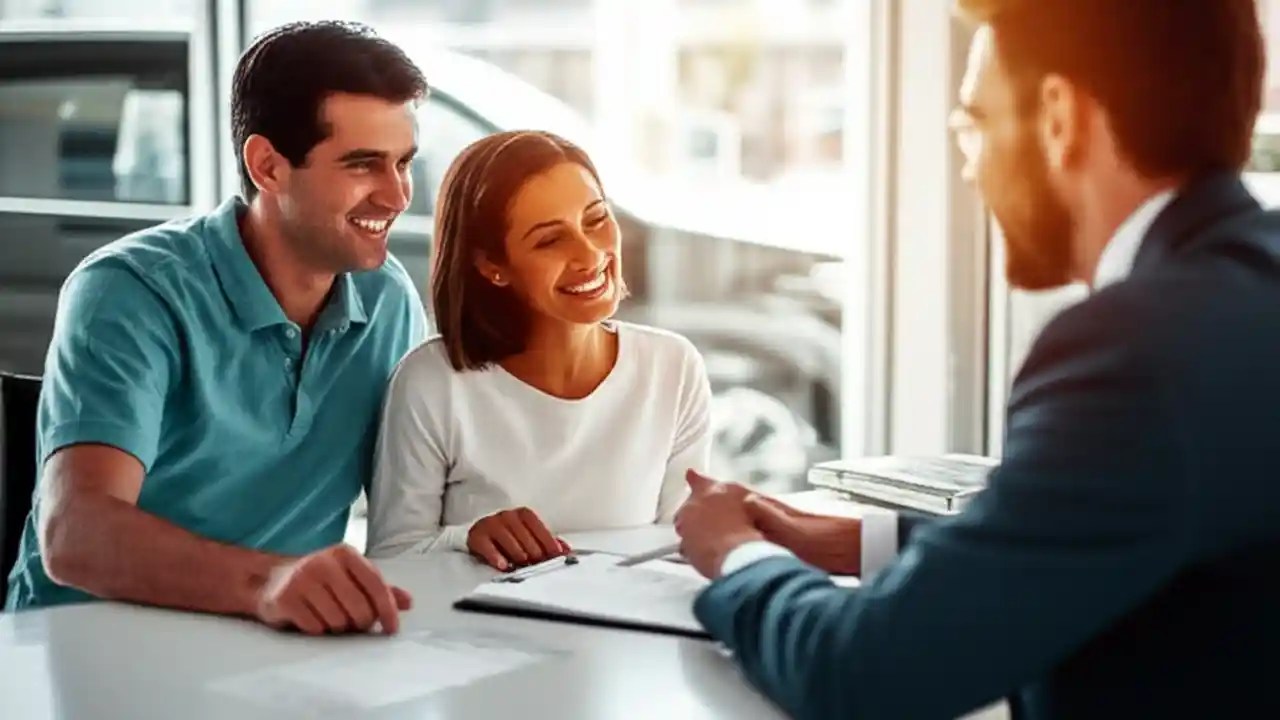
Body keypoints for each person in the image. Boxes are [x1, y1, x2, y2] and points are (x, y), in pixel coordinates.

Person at [674, 1, 1280, 718]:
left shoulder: (1134, 350)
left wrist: (736, 556)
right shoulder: (1248, 291)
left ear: (1060, 118)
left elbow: (865, 674)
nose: (968, 167)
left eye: (975, 123)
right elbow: (1117, 521)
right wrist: (856, 540)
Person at [5, 21, 429, 637]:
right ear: (268, 166)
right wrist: (272, 583)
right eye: (363, 165)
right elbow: (76, 535)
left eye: (403, 164)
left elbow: (415, 501)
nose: (396, 196)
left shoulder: (387, 299)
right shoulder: (128, 291)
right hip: (84, 648)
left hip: (271, 647)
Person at [366, 130, 712, 570]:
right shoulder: (433, 381)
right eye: (551, 240)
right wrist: (468, 537)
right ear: (493, 266)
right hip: (473, 635)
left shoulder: (673, 368)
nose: (590, 255)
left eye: (596, 220)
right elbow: (391, 556)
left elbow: (680, 545)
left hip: (621, 630)